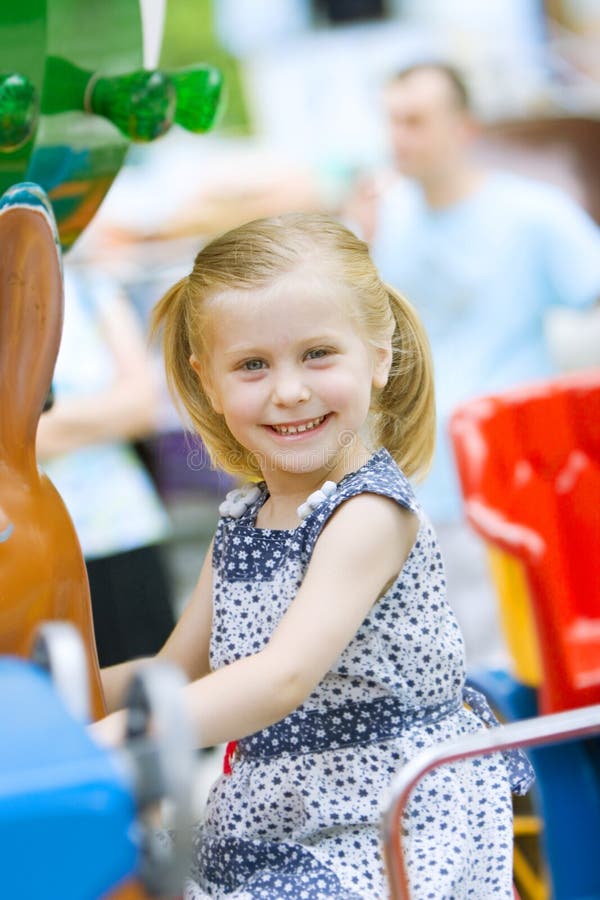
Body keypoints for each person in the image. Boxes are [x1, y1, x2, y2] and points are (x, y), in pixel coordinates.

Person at [94, 212, 533, 899]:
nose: (288, 389)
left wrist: (117, 742)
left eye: (318, 355)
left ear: (379, 356)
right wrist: (56, 695)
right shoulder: (243, 519)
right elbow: (174, 669)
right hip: (280, 814)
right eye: (252, 365)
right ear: (207, 380)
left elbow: (283, 677)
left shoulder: (368, 515)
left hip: (392, 818)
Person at [346, 61, 600, 666]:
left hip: (513, 478)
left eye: (416, 121)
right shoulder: (385, 218)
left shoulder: (534, 214)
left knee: (534, 656)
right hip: (416, 478)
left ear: (463, 128)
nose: (399, 137)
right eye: (392, 121)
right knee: (455, 661)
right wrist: (358, 245)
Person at [37, 262, 176, 668]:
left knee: (152, 689)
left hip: (119, 528)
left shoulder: (87, 286)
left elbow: (143, 407)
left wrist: (34, 426)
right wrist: (98, 416)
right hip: (24, 545)